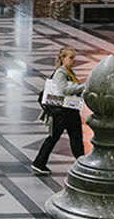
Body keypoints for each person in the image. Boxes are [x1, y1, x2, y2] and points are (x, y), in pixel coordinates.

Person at [32, 46, 87, 175]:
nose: (74, 60)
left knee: (73, 139)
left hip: (69, 111)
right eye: (71, 58)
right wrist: (83, 86)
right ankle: (39, 163)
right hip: (62, 113)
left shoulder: (69, 72)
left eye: (74, 57)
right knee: (58, 138)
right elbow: (64, 90)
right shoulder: (61, 73)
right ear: (63, 59)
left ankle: (81, 164)